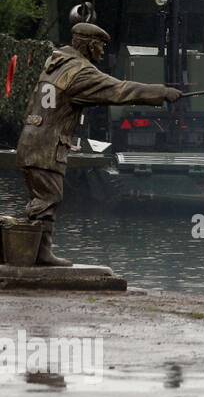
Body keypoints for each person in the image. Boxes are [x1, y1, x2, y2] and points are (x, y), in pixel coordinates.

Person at [15, 22, 181, 266]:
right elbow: (118, 90)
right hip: (46, 147)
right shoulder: (80, 72)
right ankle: (39, 254)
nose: (103, 52)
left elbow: (35, 105)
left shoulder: (55, 65)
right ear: (90, 45)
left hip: (31, 141)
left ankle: (23, 251)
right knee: (48, 199)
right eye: (101, 46)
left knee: (41, 199)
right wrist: (161, 92)